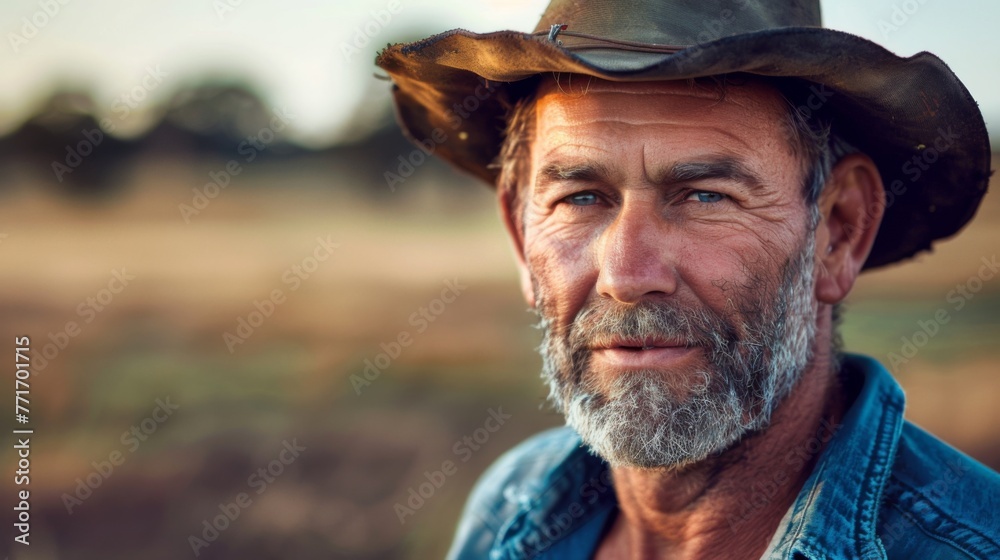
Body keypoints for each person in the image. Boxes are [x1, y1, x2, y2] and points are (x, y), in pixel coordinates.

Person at [376, 0, 1000, 558]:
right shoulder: (510, 507)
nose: (626, 275)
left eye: (704, 196)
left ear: (836, 231)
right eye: (580, 197)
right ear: (520, 236)